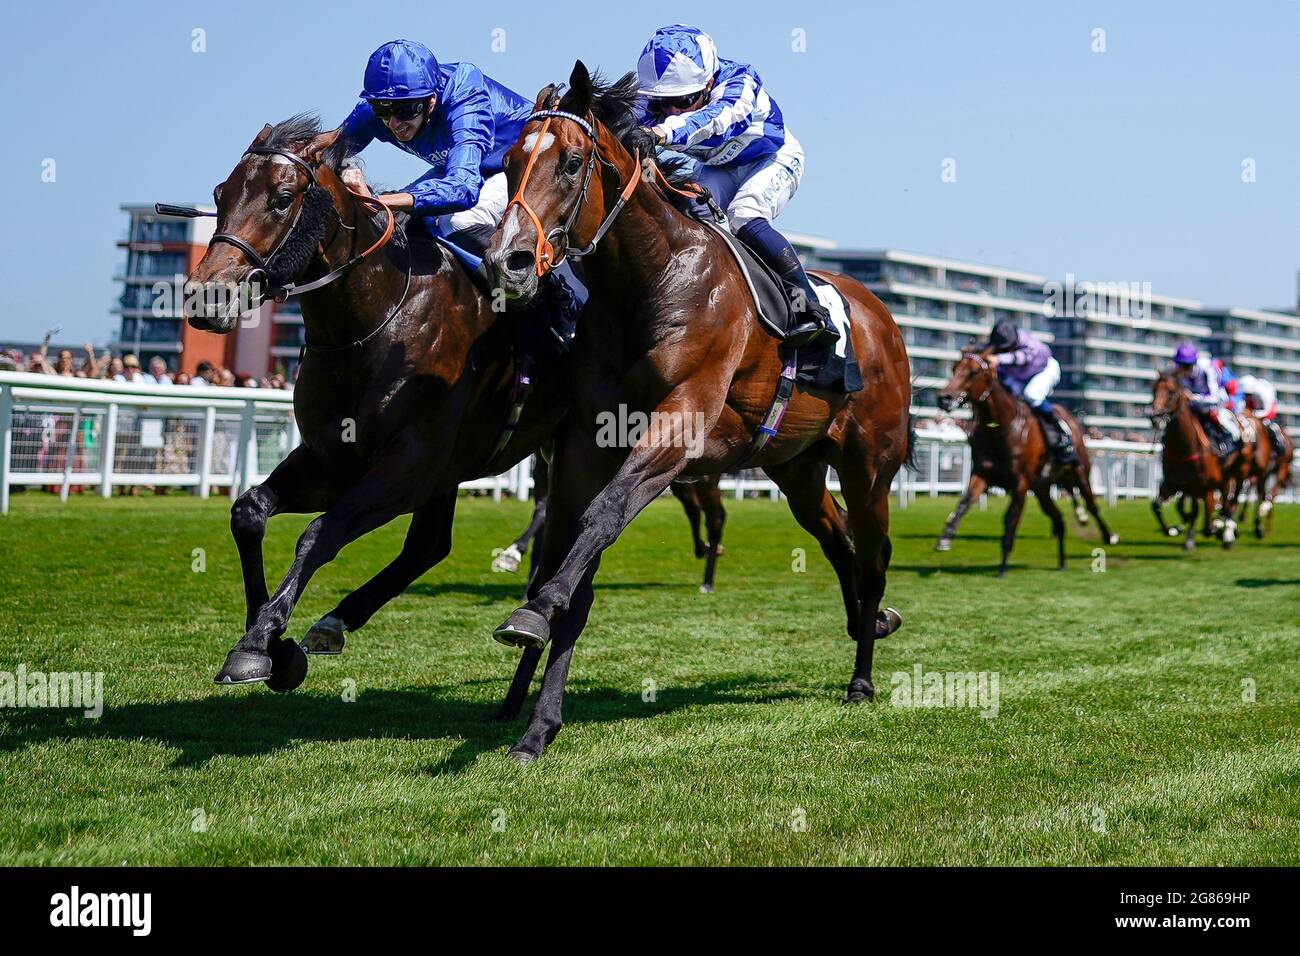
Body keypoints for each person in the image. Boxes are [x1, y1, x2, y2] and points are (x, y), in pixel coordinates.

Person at [633, 24, 838, 371]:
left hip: (772, 158)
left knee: (744, 215)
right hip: (720, 166)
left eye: (682, 101)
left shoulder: (740, 82)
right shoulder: (651, 99)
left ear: (709, 81)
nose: (672, 112)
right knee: (693, 223)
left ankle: (809, 307)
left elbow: (714, 121)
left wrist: (658, 132)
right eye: (663, 104)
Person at [337, 39, 578, 323]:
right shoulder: (375, 113)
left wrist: (377, 201)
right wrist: (343, 168)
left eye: (404, 110)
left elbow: (462, 189)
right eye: (382, 110)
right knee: (411, 223)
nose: (393, 123)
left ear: (431, 100)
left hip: (518, 166)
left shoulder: (464, 89)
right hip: (466, 169)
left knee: (457, 222)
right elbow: (325, 153)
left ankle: (550, 289)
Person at [982, 318, 1076, 464]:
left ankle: (1062, 433)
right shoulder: (999, 343)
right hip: (1021, 378)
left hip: (1045, 370)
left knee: (1032, 395)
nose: (1004, 349)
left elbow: (1022, 357)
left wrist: (999, 359)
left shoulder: (1028, 341)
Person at [1172, 342, 1239, 457]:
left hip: (1216, 402)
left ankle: (1228, 443)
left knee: (1220, 418)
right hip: (1194, 405)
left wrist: (1193, 397)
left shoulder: (1208, 368)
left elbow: (1214, 398)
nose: (1183, 370)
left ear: (1194, 363)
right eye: (1181, 365)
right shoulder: (1177, 372)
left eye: (1186, 366)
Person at [1238, 373, 1285, 457]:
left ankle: (1277, 448)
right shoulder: (1249, 392)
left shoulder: (1264, 392)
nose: (1247, 397)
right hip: (1256, 410)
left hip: (1269, 411)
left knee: (1270, 426)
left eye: (1248, 395)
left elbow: (1268, 410)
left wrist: (1253, 415)